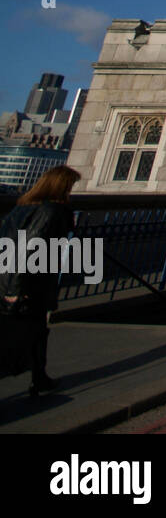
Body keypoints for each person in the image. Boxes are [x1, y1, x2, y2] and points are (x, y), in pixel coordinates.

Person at [1, 165, 79, 398]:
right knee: (28, 332)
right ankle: (38, 377)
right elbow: (29, 251)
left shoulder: (22, 207)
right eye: (70, 186)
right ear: (61, 186)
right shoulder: (51, 212)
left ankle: (40, 376)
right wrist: (16, 290)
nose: (71, 191)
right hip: (28, 283)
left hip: (10, 278)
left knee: (35, 331)